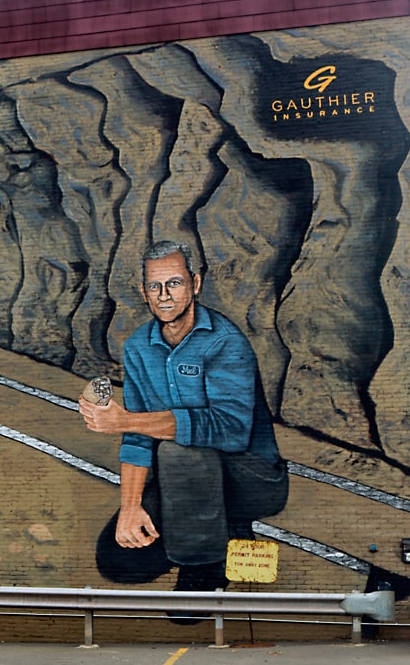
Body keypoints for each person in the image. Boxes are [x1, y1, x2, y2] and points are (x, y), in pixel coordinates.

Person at [78, 240, 288, 621]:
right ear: (144, 292)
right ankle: (225, 533)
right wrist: (130, 508)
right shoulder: (139, 347)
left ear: (195, 283)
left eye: (174, 283)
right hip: (190, 483)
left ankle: (202, 565)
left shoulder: (226, 343)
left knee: (179, 448)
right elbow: (139, 439)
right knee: (119, 561)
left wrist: (124, 420)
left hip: (252, 477)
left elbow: (230, 429)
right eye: (155, 287)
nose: (164, 295)